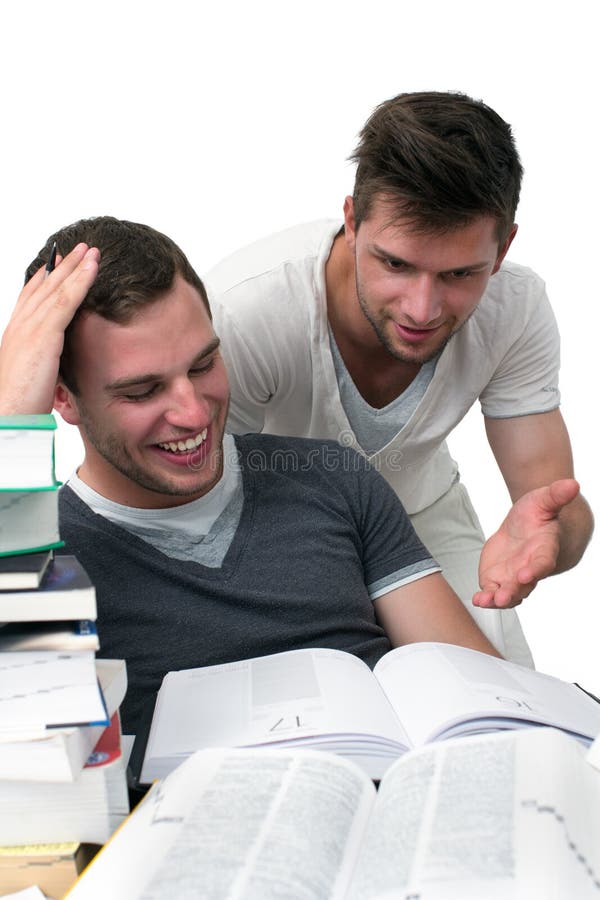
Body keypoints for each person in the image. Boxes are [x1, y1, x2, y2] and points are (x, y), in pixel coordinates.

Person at [0, 217, 499, 735]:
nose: (194, 413)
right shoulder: (36, 551)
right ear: (62, 397)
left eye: (202, 365)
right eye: (142, 391)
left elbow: (481, 696)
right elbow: (28, 740)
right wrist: (12, 418)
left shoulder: (331, 479)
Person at [204, 90, 593, 668]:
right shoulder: (246, 312)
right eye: (396, 264)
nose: (421, 309)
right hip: (275, 523)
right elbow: (202, 503)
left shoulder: (516, 308)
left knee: (501, 691)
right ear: (352, 221)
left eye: (459, 274)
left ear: (504, 247)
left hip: (423, 512)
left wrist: (553, 539)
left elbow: (554, 502)